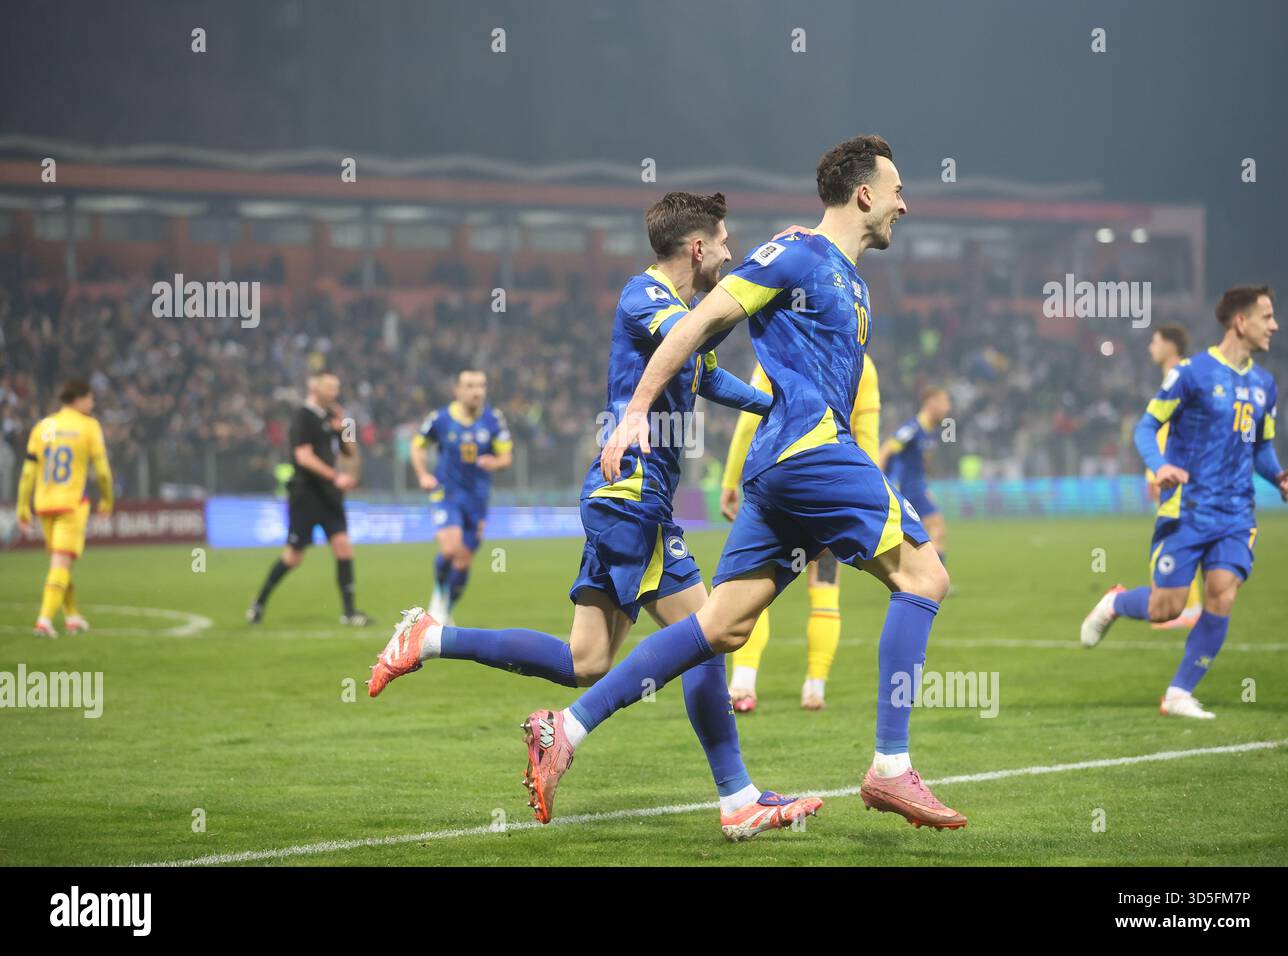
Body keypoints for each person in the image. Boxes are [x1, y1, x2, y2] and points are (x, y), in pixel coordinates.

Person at [502, 135, 966, 831]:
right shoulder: (796, 254)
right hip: (812, 455)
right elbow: (701, 323)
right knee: (925, 579)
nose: (906, 202)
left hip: (785, 472)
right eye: (897, 189)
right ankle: (891, 768)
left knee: (720, 625)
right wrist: (633, 416)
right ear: (864, 194)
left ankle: (564, 730)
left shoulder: (854, 286)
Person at [368, 192, 823, 840]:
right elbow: (691, 339)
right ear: (697, 248)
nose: (730, 252)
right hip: (632, 497)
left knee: (585, 659)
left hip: (626, 501)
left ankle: (430, 637)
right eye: (724, 241)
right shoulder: (644, 297)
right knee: (709, 637)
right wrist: (764, 283)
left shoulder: (685, 314)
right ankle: (735, 797)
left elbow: (710, 379)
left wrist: (773, 409)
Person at [1080, 286, 1288, 718]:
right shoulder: (1192, 374)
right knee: (1168, 607)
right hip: (1188, 509)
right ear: (1240, 322)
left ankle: (1178, 692)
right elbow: (1146, 427)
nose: (1275, 325)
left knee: (1221, 596)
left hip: (1236, 513)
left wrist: (1277, 476)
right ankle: (1116, 602)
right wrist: (1159, 465)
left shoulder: (1264, 385)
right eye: (1266, 317)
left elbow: (1262, 447)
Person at [720, 355, 881, 711]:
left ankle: (742, 686)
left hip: (780, 485)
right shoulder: (861, 365)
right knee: (825, 590)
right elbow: (868, 439)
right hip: (833, 491)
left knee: (753, 588)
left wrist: (731, 479)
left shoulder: (775, 354)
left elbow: (749, 422)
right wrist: (866, 500)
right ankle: (815, 687)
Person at [248, 372, 371, 626]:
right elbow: (303, 457)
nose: (335, 392)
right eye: (330, 387)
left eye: (337, 387)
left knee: (343, 547)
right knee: (293, 556)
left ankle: (349, 613)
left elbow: (349, 449)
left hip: (329, 495)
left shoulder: (332, 416)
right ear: (315, 388)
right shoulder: (302, 417)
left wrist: (343, 429)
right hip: (307, 495)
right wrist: (335, 476)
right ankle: (259, 601)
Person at [410, 369, 512, 624]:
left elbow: (506, 457)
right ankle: (438, 592)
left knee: (464, 560)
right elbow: (417, 446)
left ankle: (447, 609)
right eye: (470, 386)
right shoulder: (441, 419)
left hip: (477, 498)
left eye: (481, 385)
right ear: (457, 390)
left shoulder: (493, 420)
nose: (477, 391)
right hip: (447, 493)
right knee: (449, 548)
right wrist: (423, 474)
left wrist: (495, 462)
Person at [16, 379, 113, 637]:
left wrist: (22, 506)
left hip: (43, 504)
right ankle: (44, 621)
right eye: (90, 398)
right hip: (70, 504)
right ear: (79, 399)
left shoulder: (44, 427)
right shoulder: (88, 426)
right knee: (61, 563)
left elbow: (28, 472)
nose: (92, 404)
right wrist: (107, 499)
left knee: (61, 562)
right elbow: (102, 472)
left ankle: (72, 616)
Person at [1143, 325, 1202, 629]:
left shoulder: (1180, 377)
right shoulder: (1178, 377)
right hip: (1174, 472)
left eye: (1154, 341)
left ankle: (1186, 609)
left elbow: (1164, 429)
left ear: (1169, 345)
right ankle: (1189, 607)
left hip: (1175, 474)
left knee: (1177, 541)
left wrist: (1157, 471)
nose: (1150, 347)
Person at [877, 387, 952, 564]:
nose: (948, 408)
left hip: (917, 488)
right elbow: (887, 449)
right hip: (907, 489)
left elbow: (921, 461)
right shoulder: (912, 428)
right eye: (944, 402)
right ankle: (933, 582)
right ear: (931, 403)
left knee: (925, 534)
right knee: (936, 529)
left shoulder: (930, 431)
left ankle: (927, 580)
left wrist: (925, 486)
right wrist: (877, 480)